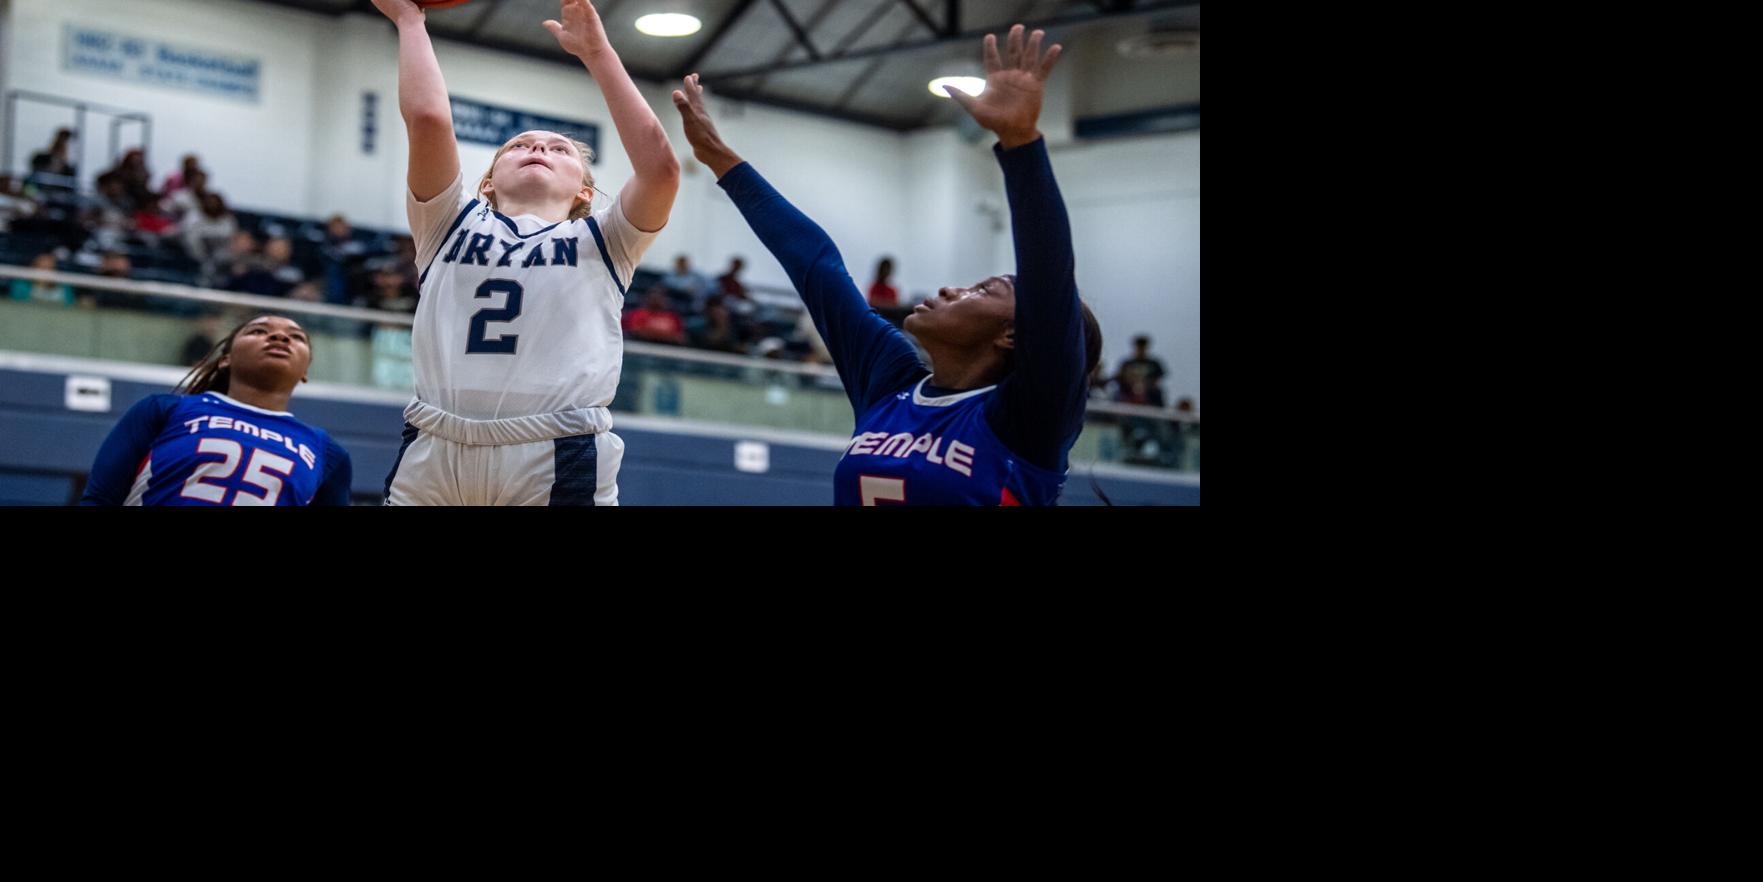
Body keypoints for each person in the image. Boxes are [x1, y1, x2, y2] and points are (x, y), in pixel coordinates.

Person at [672, 25, 1099, 505]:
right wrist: (720, 160)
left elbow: (1048, 278)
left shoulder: (1030, 415)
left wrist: (1021, 145)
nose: (952, 290)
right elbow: (817, 267)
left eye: (982, 291)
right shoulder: (890, 382)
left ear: (1013, 335)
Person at [373, 0, 678, 506]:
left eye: (560, 149)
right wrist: (410, 21)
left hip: (555, 448)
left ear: (585, 192)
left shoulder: (607, 240)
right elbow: (428, 119)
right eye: (519, 145)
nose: (538, 148)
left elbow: (661, 170)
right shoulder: (447, 220)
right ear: (487, 182)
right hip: (436, 444)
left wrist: (599, 55)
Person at [81, 315, 353, 506]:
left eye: (296, 337)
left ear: (305, 371)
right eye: (258, 331)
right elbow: (100, 499)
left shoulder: (328, 453)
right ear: (226, 359)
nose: (280, 336)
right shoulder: (166, 410)